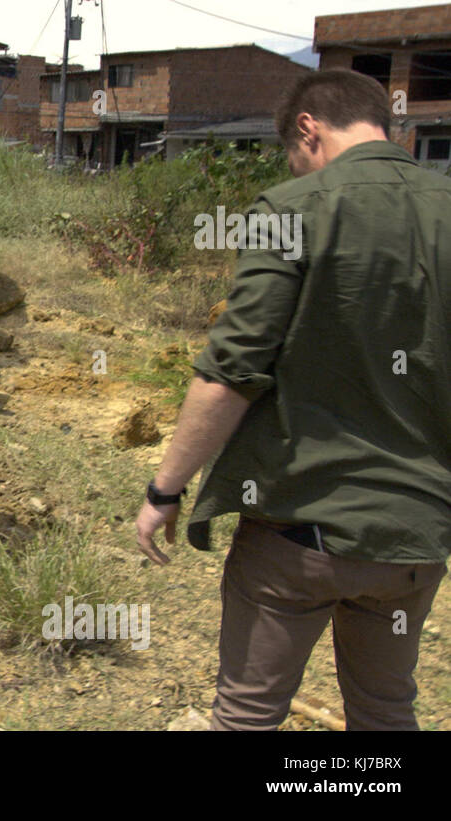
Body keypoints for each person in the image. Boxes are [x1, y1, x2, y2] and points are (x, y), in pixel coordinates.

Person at [134, 69, 451, 730]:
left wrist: (166, 489)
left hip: (298, 535)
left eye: (294, 157)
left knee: (248, 714)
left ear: (308, 128)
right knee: (387, 709)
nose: (297, 170)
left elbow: (234, 369)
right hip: (411, 540)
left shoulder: (293, 211)